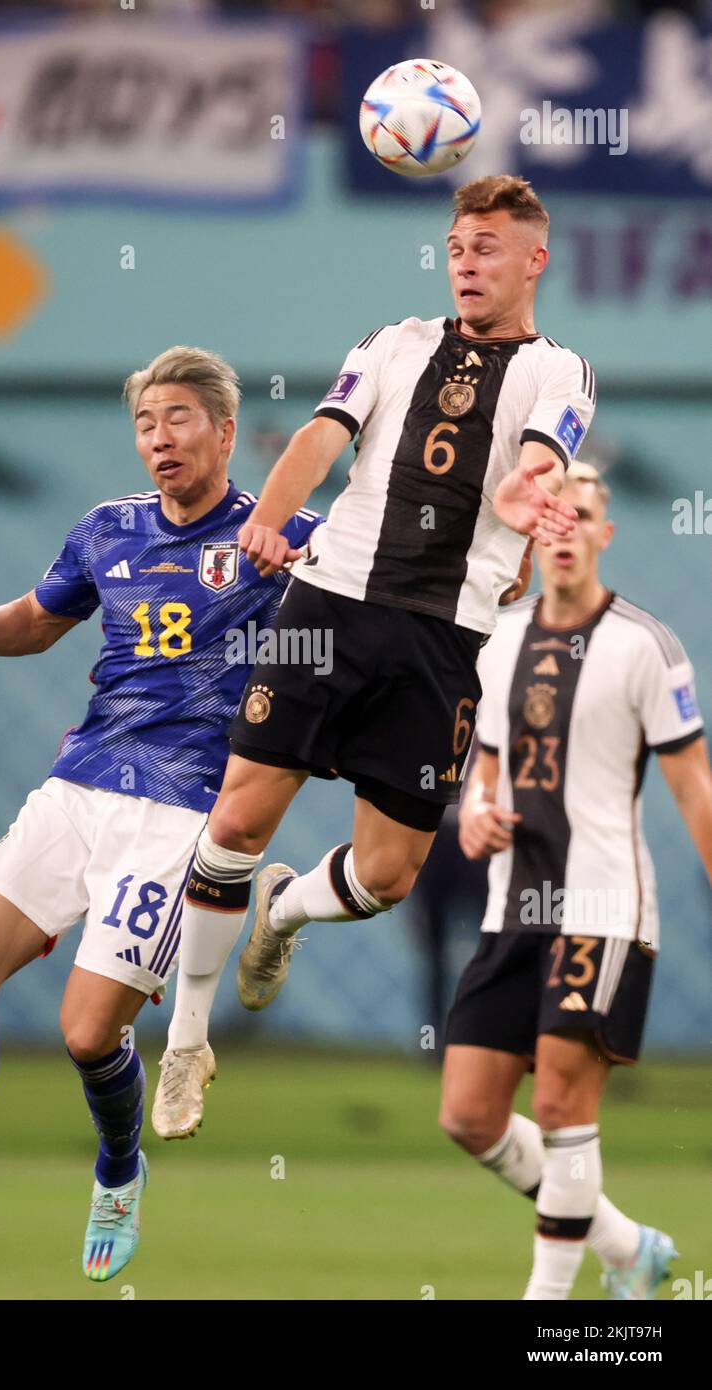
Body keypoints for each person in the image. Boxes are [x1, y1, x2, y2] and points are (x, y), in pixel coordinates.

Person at [152, 173, 598, 1139]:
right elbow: (324, 435)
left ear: (535, 260)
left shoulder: (560, 373)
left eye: (489, 248)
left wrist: (525, 508)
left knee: (390, 874)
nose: (468, 264)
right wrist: (266, 523)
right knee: (236, 818)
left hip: (445, 636)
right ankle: (186, 1042)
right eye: (458, 247)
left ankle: (287, 916)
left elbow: (538, 464)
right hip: (332, 601)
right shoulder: (394, 343)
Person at [0, 347, 321, 1282]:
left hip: (184, 808)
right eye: (147, 424)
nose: (160, 439)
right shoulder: (106, 530)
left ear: (226, 432)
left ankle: (119, 1170)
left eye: (179, 420)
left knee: (85, 1034)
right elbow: (34, 622)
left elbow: (374, 597)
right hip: (79, 786)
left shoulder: (283, 539)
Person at [440, 462, 711, 1300]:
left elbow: (693, 783)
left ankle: (548, 1307)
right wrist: (477, 810)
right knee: (469, 1116)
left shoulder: (644, 645)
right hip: (513, 907)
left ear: (604, 532)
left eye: (581, 516)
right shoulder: (500, 640)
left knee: (560, 1104)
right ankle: (627, 1244)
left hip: (602, 903)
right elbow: (483, 768)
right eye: (551, 520)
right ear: (535, 532)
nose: (564, 532)